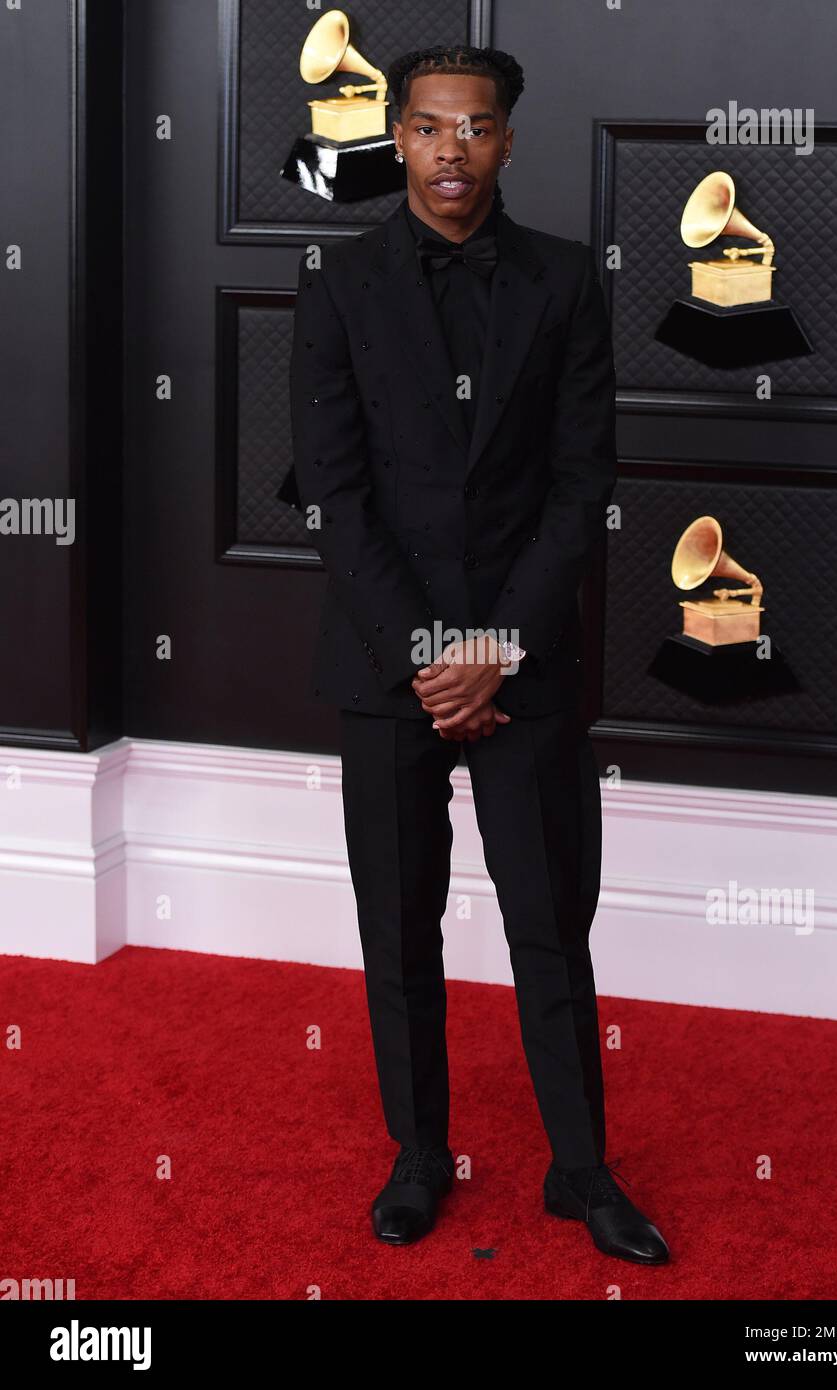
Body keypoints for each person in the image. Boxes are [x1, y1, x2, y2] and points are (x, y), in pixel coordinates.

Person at [289, 44, 669, 1264]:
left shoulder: (564, 282)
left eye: (479, 127)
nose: (454, 147)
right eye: (431, 125)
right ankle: (418, 1158)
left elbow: (580, 485)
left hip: (529, 661)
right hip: (388, 667)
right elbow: (337, 498)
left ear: (508, 142)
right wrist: (428, 654)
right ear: (396, 137)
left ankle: (582, 1171)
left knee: (550, 925)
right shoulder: (338, 286)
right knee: (399, 930)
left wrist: (495, 647)